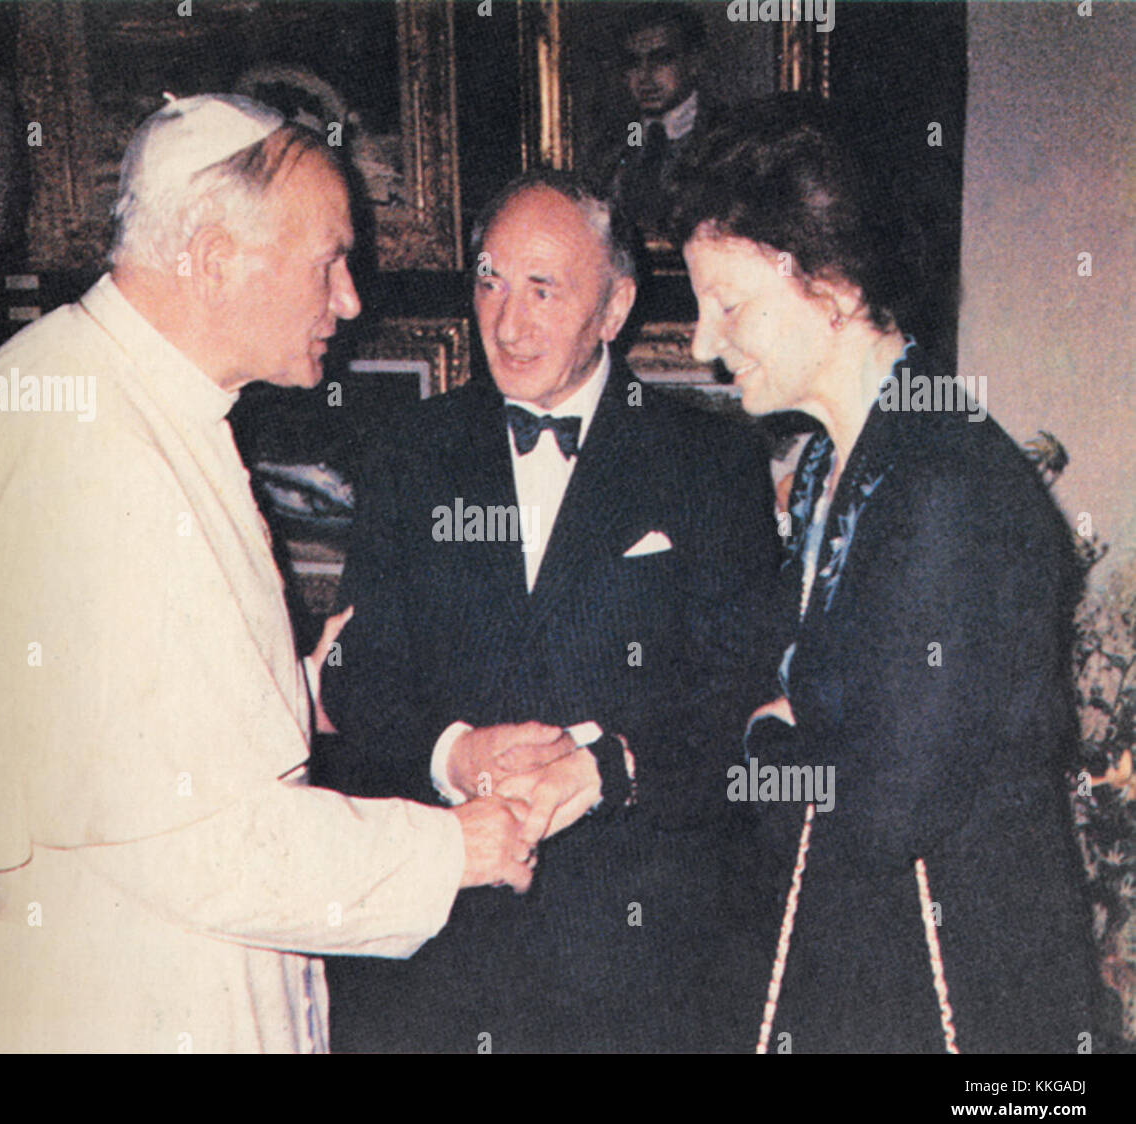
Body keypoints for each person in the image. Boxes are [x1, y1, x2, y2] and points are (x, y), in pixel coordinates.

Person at [0, 93, 537, 1054]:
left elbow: (135, 737)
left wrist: (320, 692)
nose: (349, 300)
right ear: (216, 258)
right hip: (133, 991)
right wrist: (454, 847)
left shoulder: (72, 384)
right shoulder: (95, 455)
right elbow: (199, 847)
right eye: (330, 261)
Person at [317, 169, 783, 1052]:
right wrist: (451, 751)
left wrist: (605, 764)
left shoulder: (710, 462)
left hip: (638, 957)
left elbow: (742, 693)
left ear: (614, 308)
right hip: (436, 953)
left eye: (543, 289)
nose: (507, 320)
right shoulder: (410, 450)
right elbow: (355, 666)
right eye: (490, 280)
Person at [674, 95, 1098, 1052]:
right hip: (867, 966)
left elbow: (878, 813)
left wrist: (764, 744)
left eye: (728, 304)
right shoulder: (834, 462)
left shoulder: (947, 482)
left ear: (831, 282)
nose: (702, 345)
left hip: (970, 996)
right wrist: (790, 735)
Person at [599, 5, 707, 236]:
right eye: (633, 63)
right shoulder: (616, 142)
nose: (645, 76)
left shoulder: (725, 135)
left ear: (694, 62)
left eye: (662, 59)